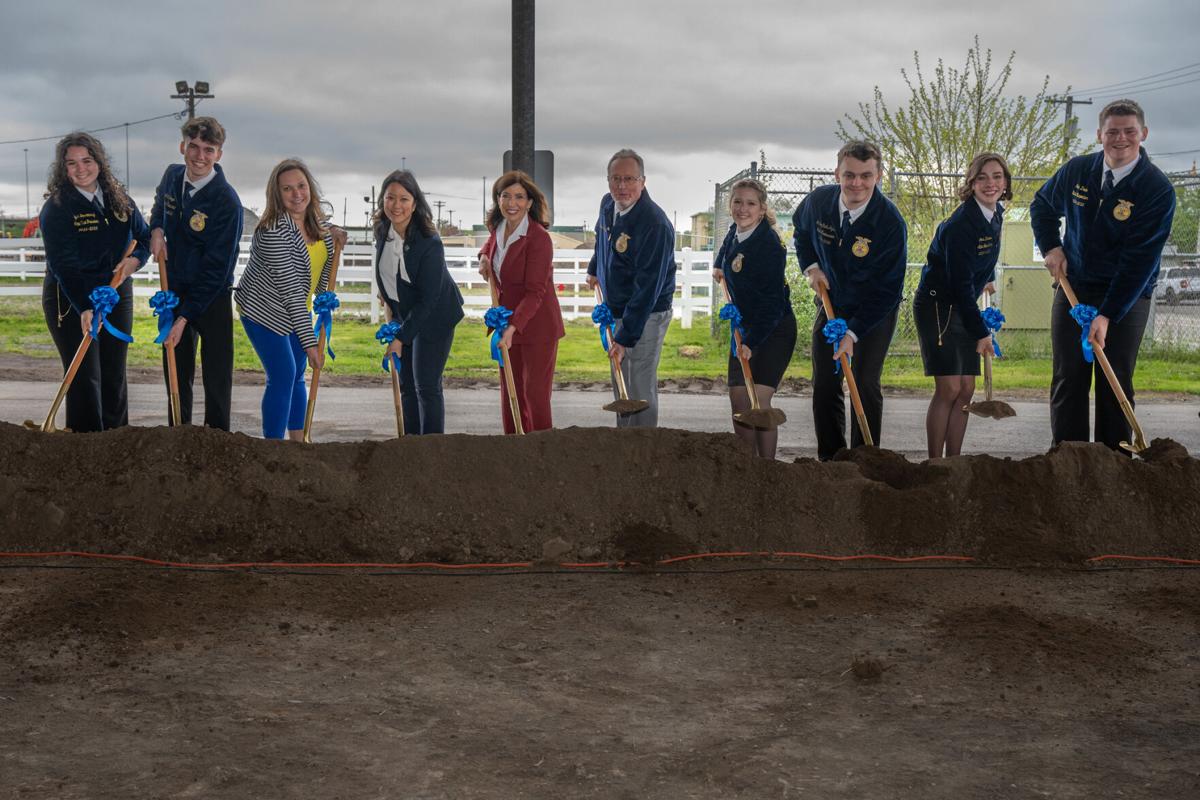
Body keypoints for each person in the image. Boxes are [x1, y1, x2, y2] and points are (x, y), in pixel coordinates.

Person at [1031, 99, 1176, 451]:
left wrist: (1108, 314)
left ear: (1143, 133)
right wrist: (1052, 247)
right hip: (1075, 287)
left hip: (1128, 295)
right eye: (1112, 131)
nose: (1120, 139)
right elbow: (1041, 206)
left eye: (1129, 131)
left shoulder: (1156, 190)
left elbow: (1138, 263)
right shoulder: (1077, 171)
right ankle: (1069, 458)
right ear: (1099, 135)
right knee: (1069, 377)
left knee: (1115, 380)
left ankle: (1113, 463)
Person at [792, 140, 907, 460]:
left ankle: (864, 459)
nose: (857, 183)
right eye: (850, 175)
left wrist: (853, 333)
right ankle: (831, 459)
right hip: (831, 304)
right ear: (837, 173)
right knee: (825, 384)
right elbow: (801, 233)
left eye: (866, 176)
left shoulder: (890, 223)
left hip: (874, 312)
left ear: (879, 175)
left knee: (865, 382)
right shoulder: (818, 203)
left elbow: (888, 289)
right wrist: (811, 268)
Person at [38, 132, 149, 433]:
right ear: (63, 168)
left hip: (116, 292)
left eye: (87, 160)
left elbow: (144, 237)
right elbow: (63, 265)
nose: (81, 168)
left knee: (114, 372)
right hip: (71, 297)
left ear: (99, 161)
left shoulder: (120, 198)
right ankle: (85, 449)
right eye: (71, 163)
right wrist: (86, 307)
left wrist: (134, 262)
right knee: (85, 375)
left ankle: (116, 444)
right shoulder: (57, 209)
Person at [235, 159, 346, 440]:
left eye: (301, 186)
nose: (297, 194)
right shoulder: (273, 231)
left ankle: (299, 442)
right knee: (283, 374)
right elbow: (292, 292)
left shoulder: (322, 231)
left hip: (296, 309)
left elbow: (319, 279)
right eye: (287, 189)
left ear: (310, 188)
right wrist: (310, 344)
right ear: (277, 194)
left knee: (297, 373)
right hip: (263, 310)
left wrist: (323, 305)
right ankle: (273, 447)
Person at [148, 116, 243, 430]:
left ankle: (216, 441)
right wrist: (157, 229)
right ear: (182, 146)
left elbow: (218, 267)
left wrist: (184, 318)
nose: (199, 156)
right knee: (176, 369)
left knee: (216, 376)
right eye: (194, 146)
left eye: (208, 149)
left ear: (219, 154)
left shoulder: (227, 201)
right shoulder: (172, 176)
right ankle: (179, 431)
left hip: (212, 294)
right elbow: (159, 206)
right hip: (174, 288)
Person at [914, 153, 1010, 459]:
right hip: (939, 306)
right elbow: (958, 284)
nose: (990, 183)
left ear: (1005, 181)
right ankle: (935, 463)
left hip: (963, 301)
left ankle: (954, 463)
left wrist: (988, 277)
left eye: (996, 176)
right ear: (971, 183)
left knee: (967, 390)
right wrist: (982, 333)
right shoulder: (961, 224)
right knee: (950, 389)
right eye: (981, 177)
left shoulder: (995, 213)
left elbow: (983, 256)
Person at [585, 148, 676, 428]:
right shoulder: (607, 204)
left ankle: (643, 450)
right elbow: (604, 242)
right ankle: (624, 446)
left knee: (638, 383)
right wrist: (594, 269)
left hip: (645, 315)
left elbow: (647, 288)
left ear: (643, 181)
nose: (621, 186)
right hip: (616, 307)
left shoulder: (655, 224)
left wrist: (625, 337)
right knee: (620, 376)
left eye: (629, 179)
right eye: (615, 179)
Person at [374, 170, 464, 434]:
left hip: (435, 317)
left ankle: (432, 450)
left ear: (415, 203)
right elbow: (387, 272)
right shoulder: (382, 230)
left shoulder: (429, 241)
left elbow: (430, 298)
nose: (396, 205)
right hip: (405, 315)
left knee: (425, 384)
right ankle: (411, 446)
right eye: (390, 198)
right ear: (383, 200)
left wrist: (400, 338)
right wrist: (390, 303)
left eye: (404, 198)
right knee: (407, 385)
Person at [711, 179, 795, 459]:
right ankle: (746, 465)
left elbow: (772, 304)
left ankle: (767, 468)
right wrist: (718, 265)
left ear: (762, 209)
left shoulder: (770, 245)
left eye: (750, 203)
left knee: (758, 402)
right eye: (737, 202)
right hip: (744, 327)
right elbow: (727, 247)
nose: (742, 209)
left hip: (773, 330)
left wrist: (751, 341)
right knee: (738, 399)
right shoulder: (736, 230)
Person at [476, 170, 565, 433]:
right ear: (498, 199)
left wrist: (514, 327)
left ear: (529, 202)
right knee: (509, 394)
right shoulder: (499, 228)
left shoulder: (538, 239)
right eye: (505, 196)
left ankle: (540, 449)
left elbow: (535, 292)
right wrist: (483, 257)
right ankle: (514, 448)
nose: (511, 203)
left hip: (536, 326)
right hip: (506, 322)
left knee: (533, 395)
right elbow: (490, 244)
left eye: (519, 197)